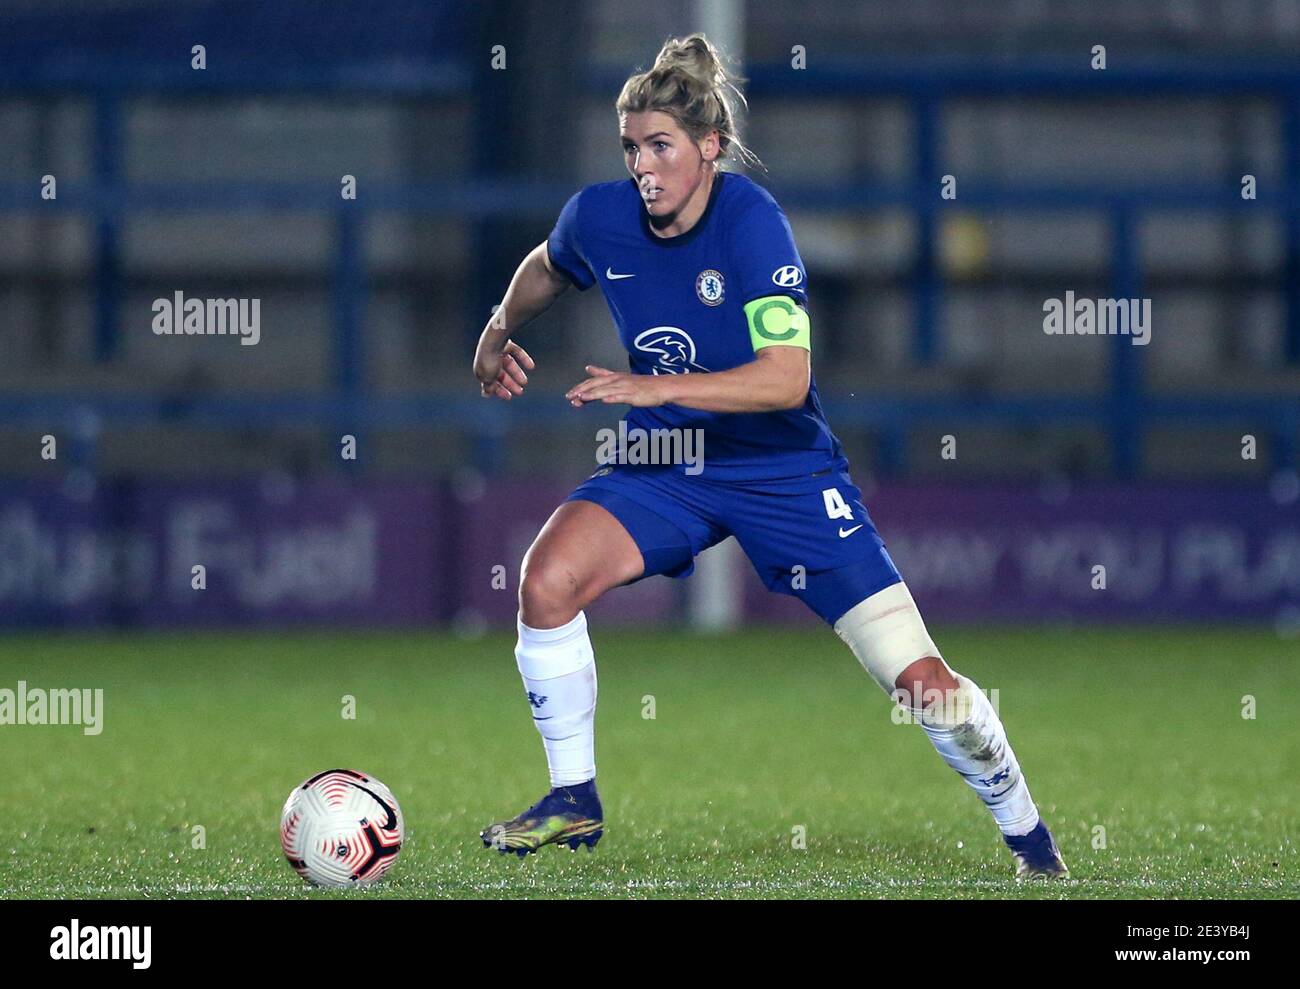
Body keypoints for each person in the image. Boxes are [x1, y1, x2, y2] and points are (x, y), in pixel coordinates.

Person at [471, 33, 1067, 879]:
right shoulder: (599, 216)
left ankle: (1030, 838)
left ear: (709, 147)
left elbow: (787, 379)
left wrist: (651, 388)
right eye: (631, 148)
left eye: (661, 146)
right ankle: (574, 797)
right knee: (546, 581)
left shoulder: (751, 223)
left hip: (783, 471)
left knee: (925, 687)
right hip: (672, 460)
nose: (643, 167)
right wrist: (498, 328)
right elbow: (548, 264)